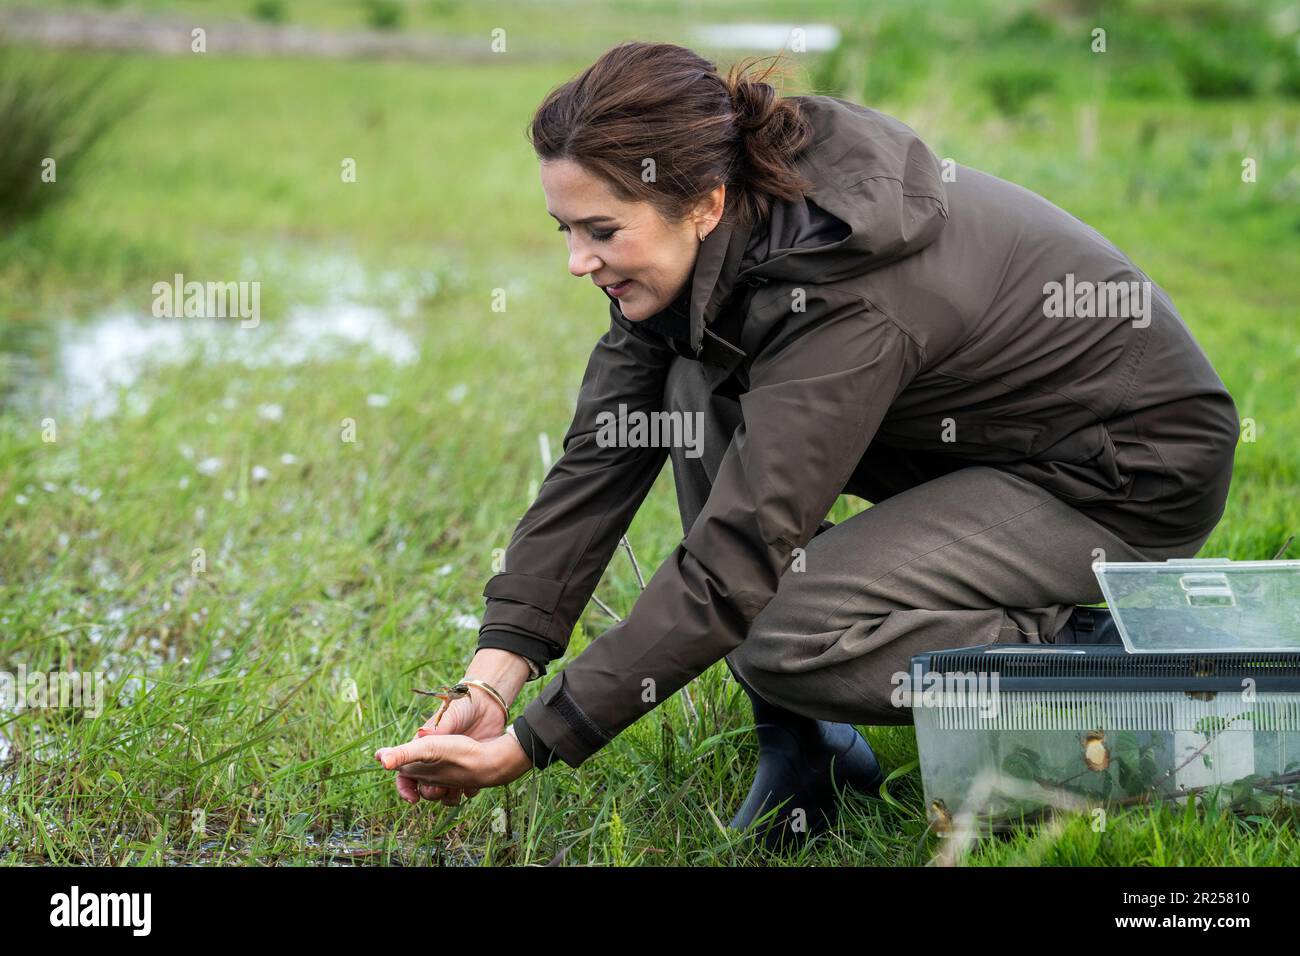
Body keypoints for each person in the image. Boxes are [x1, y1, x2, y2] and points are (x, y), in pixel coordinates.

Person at [375, 41, 1239, 850]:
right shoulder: (697, 248)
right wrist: (491, 683)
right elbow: (600, 461)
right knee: (687, 390)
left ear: (704, 204)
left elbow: (741, 559)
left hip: (1114, 474)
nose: (577, 261)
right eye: (564, 229)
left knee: (784, 631)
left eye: (601, 231)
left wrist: (533, 743)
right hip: (979, 447)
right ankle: (807, 752)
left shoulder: (843, 287)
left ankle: (1110, 668)